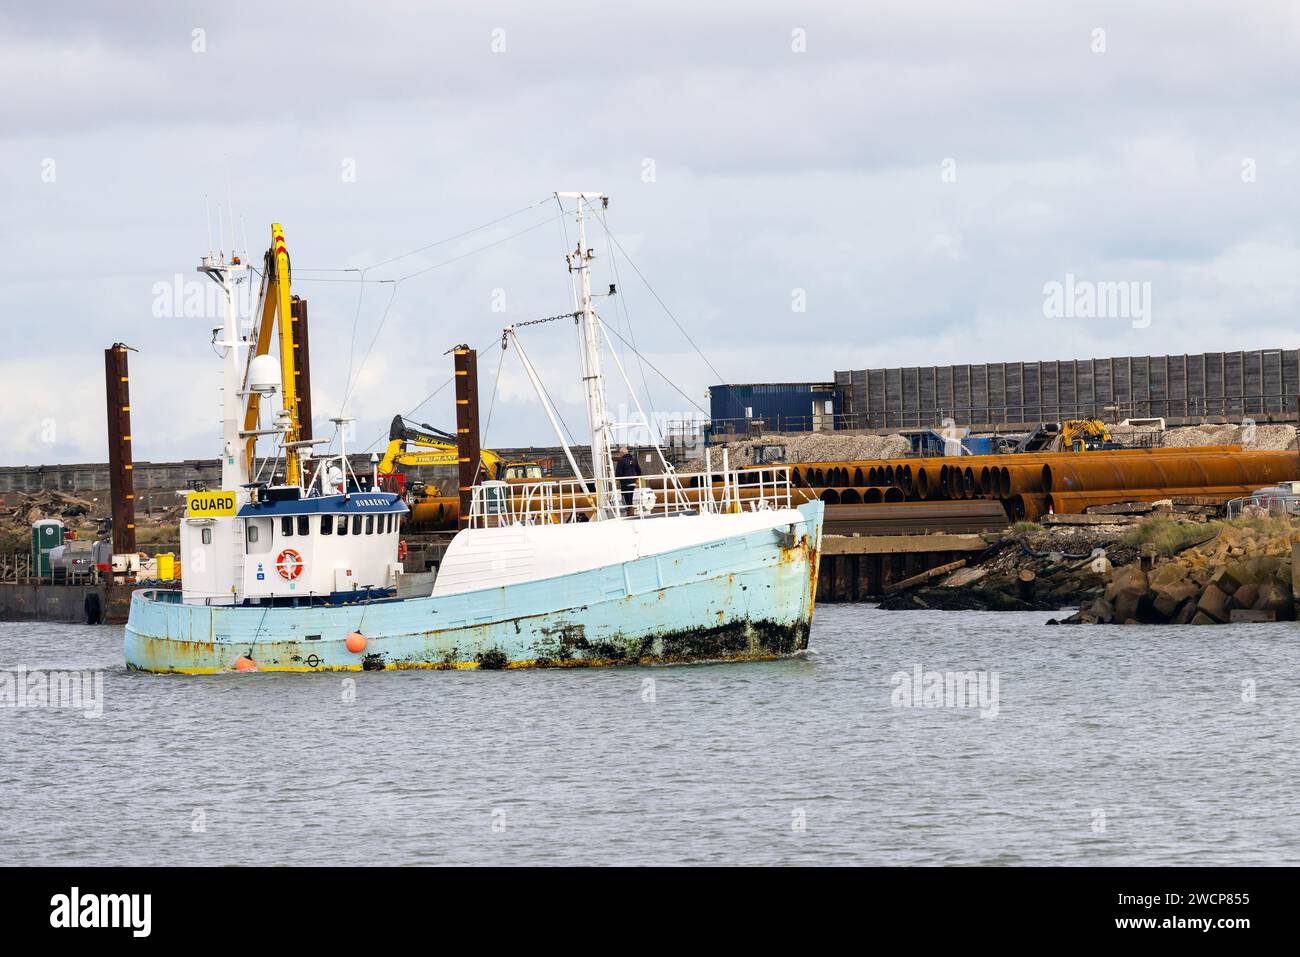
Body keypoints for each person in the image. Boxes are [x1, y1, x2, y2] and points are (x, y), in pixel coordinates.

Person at [614, 446, 641, 513]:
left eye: (620, 453)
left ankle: (630, 511)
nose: (619, 455)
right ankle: (630, 510)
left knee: (625, 496)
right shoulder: (634, 459)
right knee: (630, 496)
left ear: (622, 453)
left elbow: (618, 472)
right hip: (633, 481)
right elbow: (639, 470)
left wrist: (616, 480)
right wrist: (637, 479)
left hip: (625, 482)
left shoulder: (621, 461)